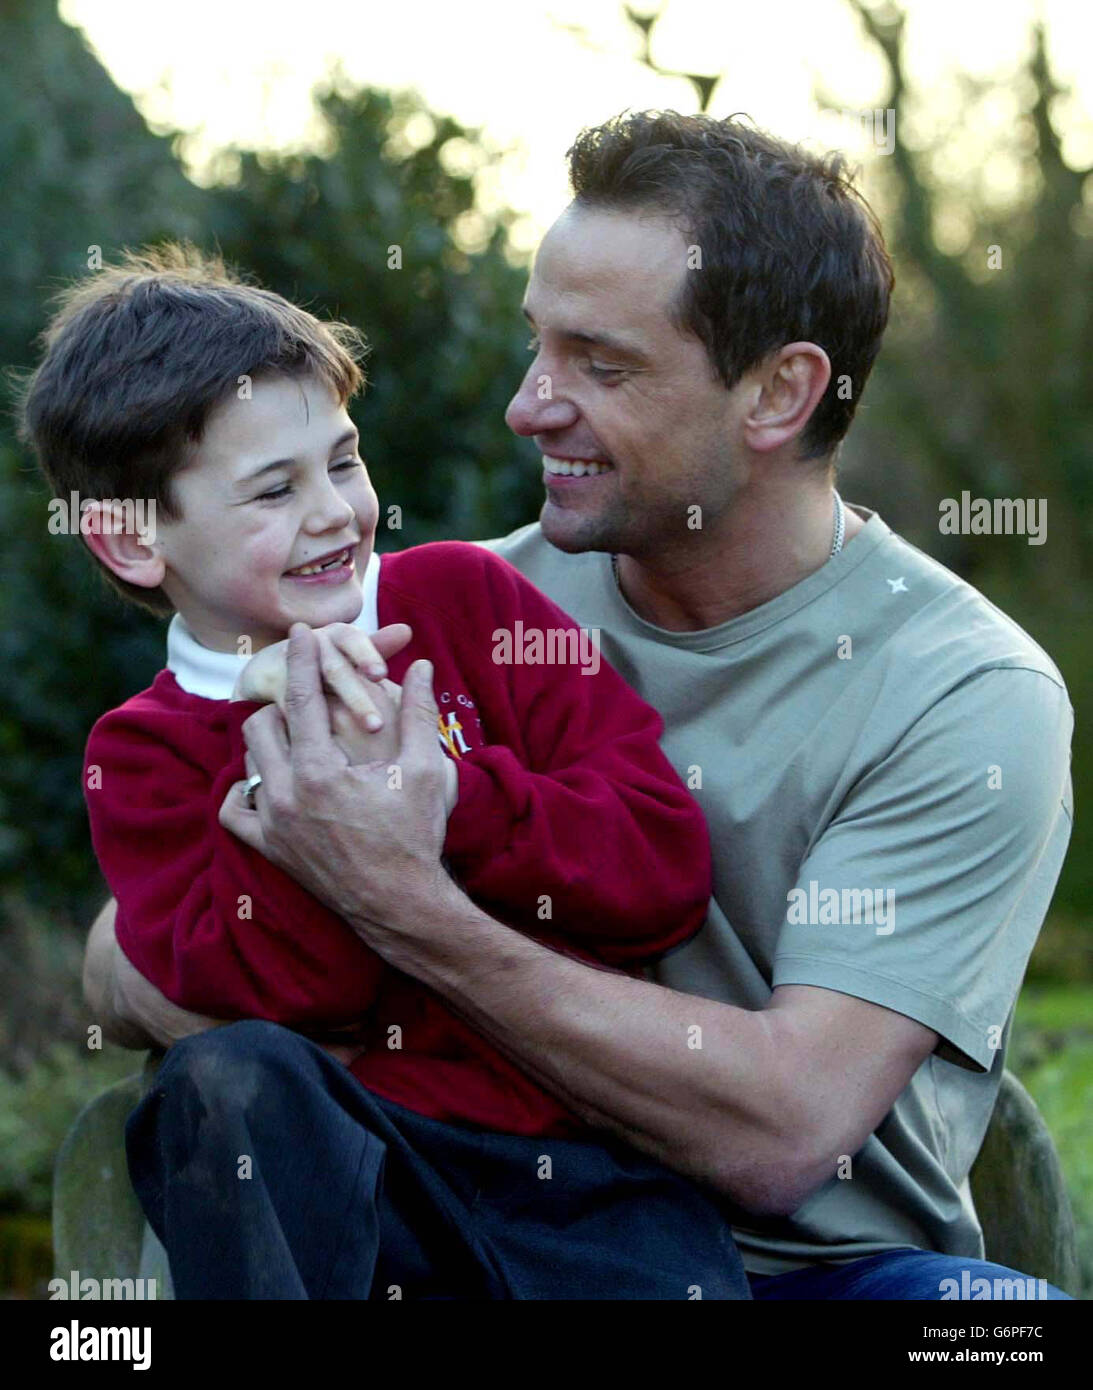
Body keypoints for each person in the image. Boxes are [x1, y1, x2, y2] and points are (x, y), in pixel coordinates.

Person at [89, 112, 1074, 1300]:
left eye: (599, 367)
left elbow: (780, 1134)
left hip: (823, 1272)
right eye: (537, 347)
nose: (526, 406)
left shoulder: (965, 693)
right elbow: (139, 931)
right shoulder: (456, 606)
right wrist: (192, 968)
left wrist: (403, 896)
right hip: (445, 1223)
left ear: (778, 392)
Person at [19, 244, 751, 1300]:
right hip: (365, 1186)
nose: (334, 512)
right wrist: (305, 792)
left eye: (344, 460)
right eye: (273, 489)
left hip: (589, 1180)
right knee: (223, 1082)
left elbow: (662, 861)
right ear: (132, 542)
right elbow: (301, 1003)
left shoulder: (469, 602)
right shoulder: (145, 752)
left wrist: (450, 800)